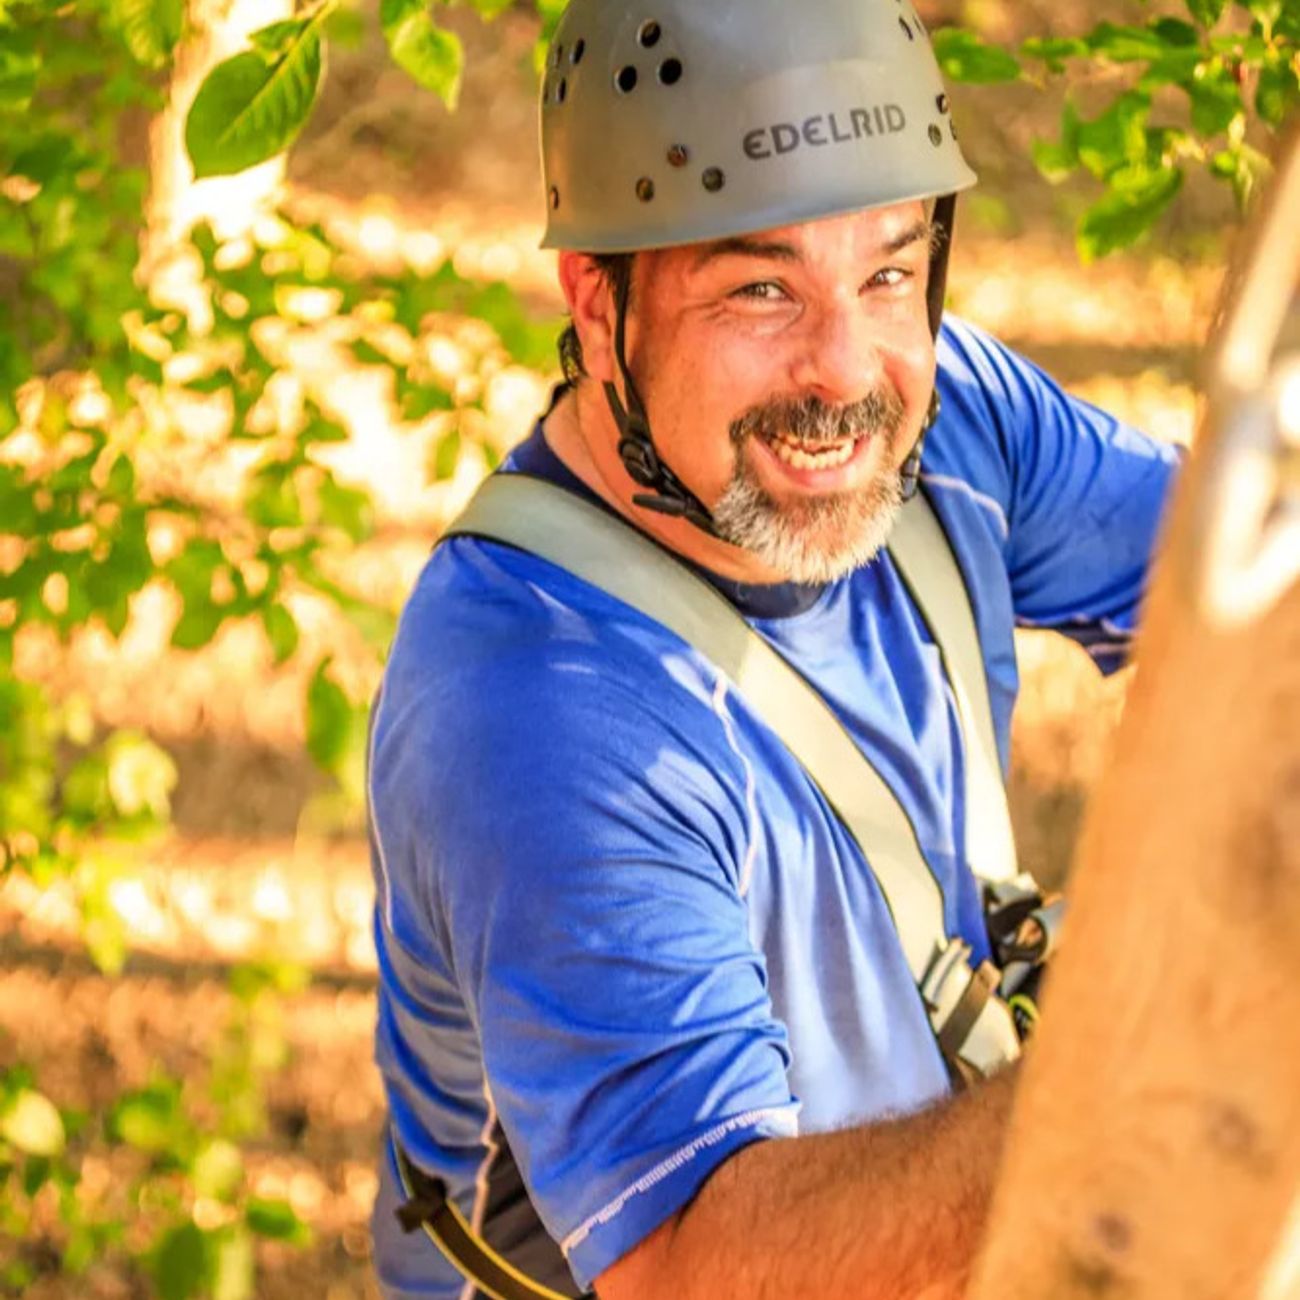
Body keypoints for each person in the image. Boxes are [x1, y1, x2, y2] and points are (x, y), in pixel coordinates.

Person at [366, 0, 1182, 1296]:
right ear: (598, 305)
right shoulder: (539, 711)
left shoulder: (950, 423)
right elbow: (699, 1267)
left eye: (889, 271)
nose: (845, 374)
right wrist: (1158, 1051)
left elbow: (1255, 593)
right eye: (760, 286)